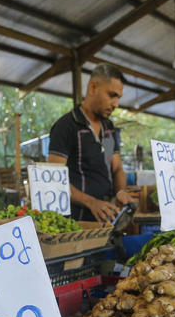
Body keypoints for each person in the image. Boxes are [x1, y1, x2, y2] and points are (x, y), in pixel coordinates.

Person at [48, 64, 133, 222]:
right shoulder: (66, 126)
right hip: (76, 223)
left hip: (105, 219)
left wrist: (120, 191)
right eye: (112, 95)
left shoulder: (108, 128)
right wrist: (92, 203)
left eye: (118, 98)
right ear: (93, 88)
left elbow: (117, 168)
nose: (116, 104)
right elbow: (54, 180)